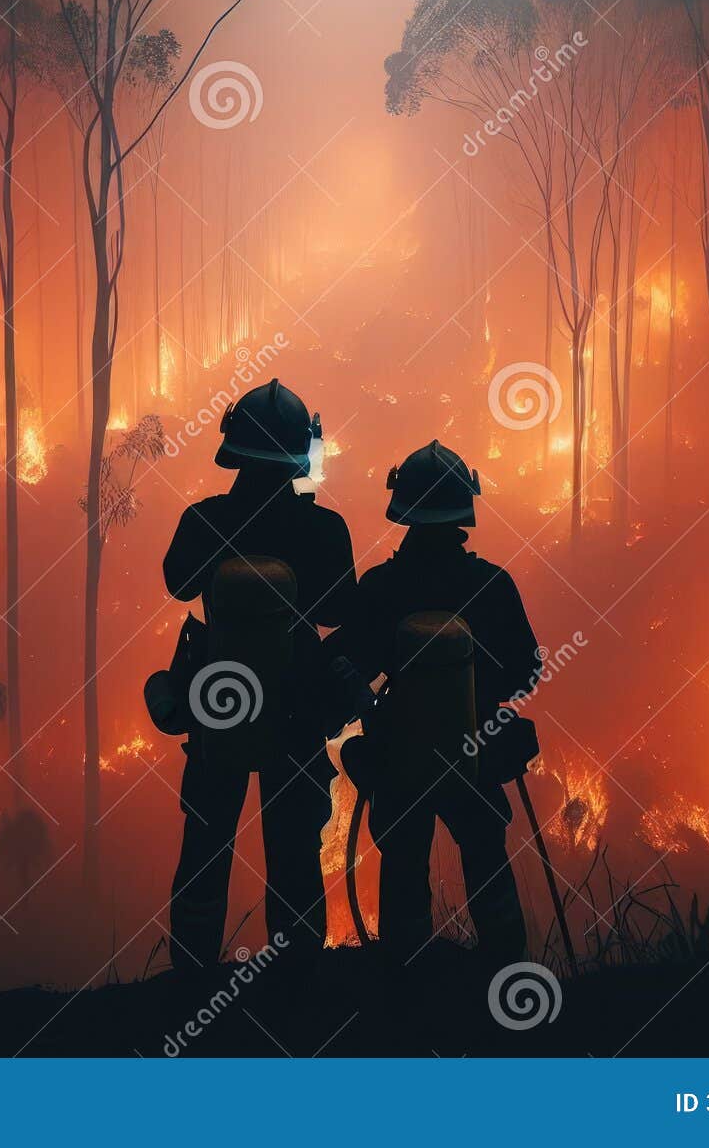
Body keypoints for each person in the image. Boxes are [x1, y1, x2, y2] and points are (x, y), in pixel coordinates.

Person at [162, 379, 357, 969]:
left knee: (204, 848)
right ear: (300, 451)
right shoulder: (325, 529)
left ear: (235, 449)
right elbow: (337, 611)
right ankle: (296, 979)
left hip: (217, 710)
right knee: (294, 852)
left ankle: (189, 978)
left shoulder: (205, 519)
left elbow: (177, 584)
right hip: (295, 713)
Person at [330, 440, 538, 967]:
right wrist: (480, 696)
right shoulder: (491, 584)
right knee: (486, 857)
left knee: (403, 865)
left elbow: (357, 663)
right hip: (478, 750)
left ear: (404, 510)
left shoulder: (382, 585)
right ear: (464, 509)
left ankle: (407, 980)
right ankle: (508, 974)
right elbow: (526, 671)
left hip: (401, 755)